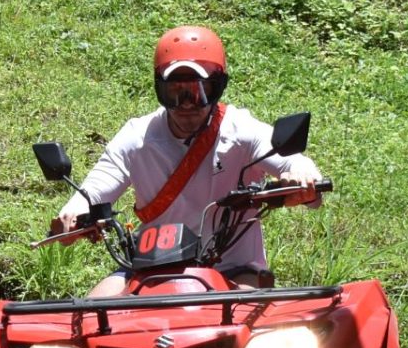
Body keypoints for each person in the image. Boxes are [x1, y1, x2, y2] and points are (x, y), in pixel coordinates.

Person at [53, 25, 323, 293]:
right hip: (151, 267)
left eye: (199, 91)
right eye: (175, 92)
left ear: (219, 87)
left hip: (232, 267)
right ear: (159, 90)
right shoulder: (138, 137)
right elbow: (96, 187)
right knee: (93, 308)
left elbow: (292, 160)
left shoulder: (239, 130)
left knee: (248, 308)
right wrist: (75, 211)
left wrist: (300, 176)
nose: (186, 104)